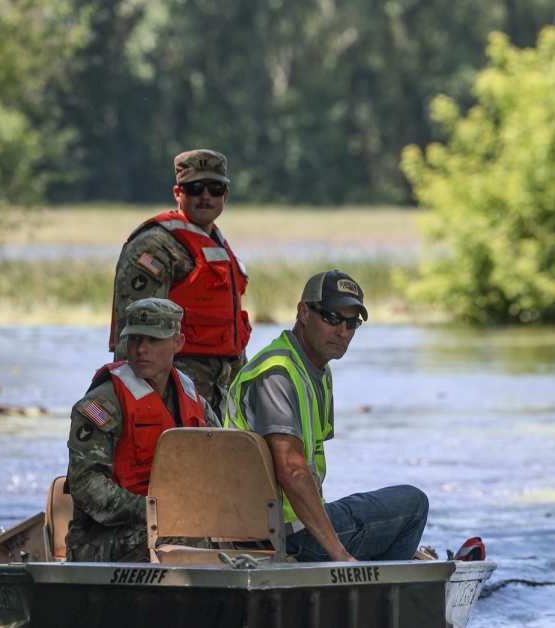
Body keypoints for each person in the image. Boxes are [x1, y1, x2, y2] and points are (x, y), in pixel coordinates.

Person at [224, 270, 429, 562]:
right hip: (282, 535)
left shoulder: (316, 369)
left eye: (352, 323)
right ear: (303, 312)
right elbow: (292, 470)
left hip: (287, 526)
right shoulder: (278, 373)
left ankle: (369, 577)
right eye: (332, 318)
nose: (342, 331)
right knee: (413, 504)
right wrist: (339, 554)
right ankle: (382, 586)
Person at [65, 298, 221, 562]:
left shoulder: (192, 398)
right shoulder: (100, 405)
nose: (141, 350)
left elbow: (220, 458)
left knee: (236, 533)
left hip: (175, 523)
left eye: (153, 340)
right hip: (101, 538)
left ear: (178, 343)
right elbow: (86, 486)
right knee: (187, 540)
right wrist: (156, 512)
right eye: (135, 339)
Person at [109, 148, 251, 416]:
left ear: (225, 195)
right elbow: (133, 336)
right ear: (178, 193)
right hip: (172, 395)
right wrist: (140, 408)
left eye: (215, 189)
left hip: (219, 395)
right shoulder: (154, 246)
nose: (206, 196)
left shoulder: (218, 245)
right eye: (195, 188)